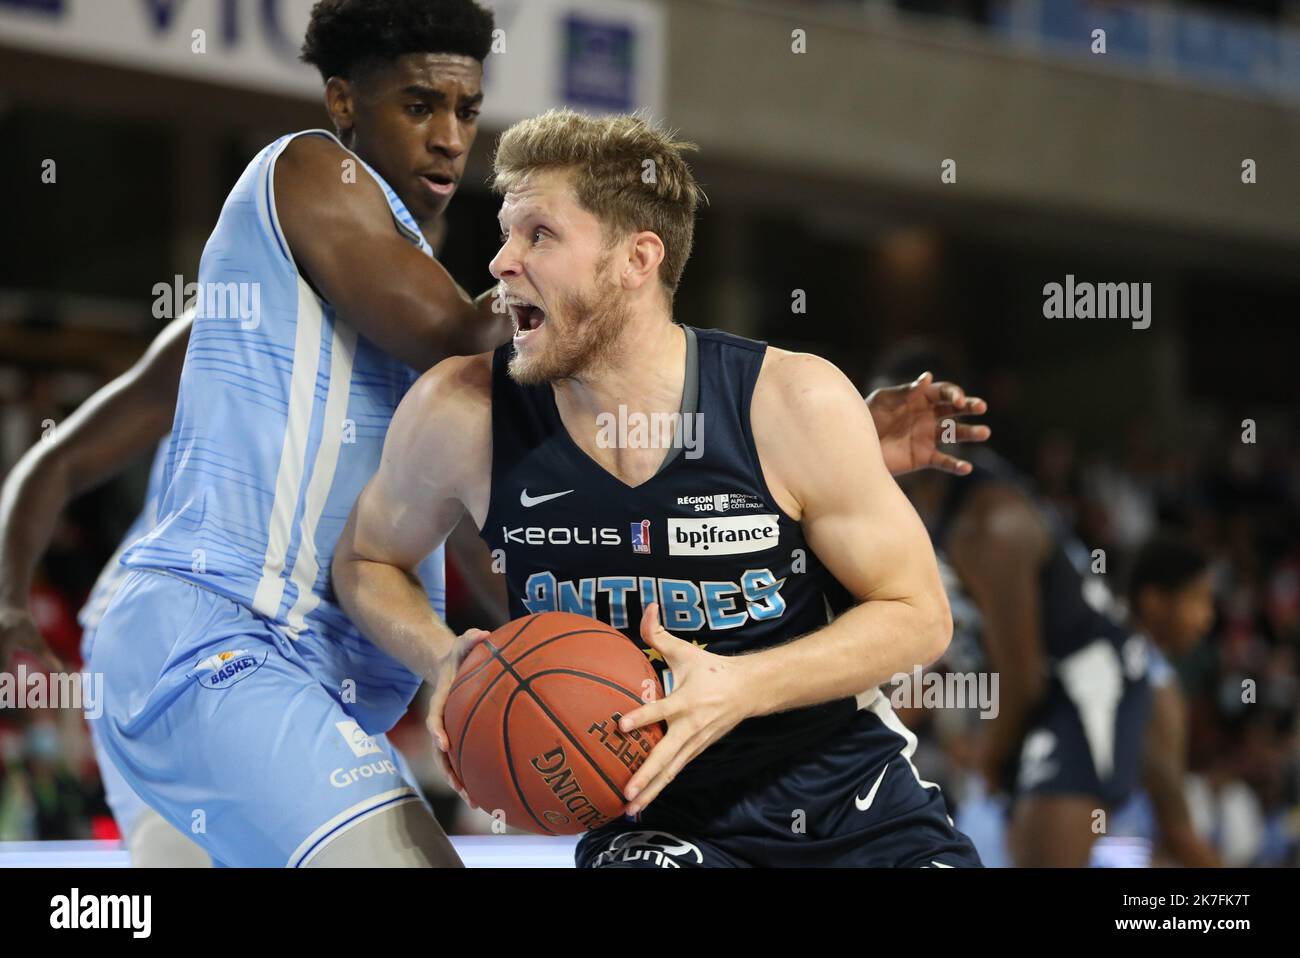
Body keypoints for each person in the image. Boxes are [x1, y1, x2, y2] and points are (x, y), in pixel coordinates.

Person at [333, 109, 985, 867]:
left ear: (636, 259)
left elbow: (918, 617)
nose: (502, 263)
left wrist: (741, 686)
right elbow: (366, 559)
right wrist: (442, 656)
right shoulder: (461, 414)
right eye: (507, 234)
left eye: (539, 235)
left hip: (847, 798)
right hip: (653, 821)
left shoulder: (791, 400)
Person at [86, 0, 507, 868]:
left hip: (311, 679)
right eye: (420, 104)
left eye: (466, 111)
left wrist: (570, 633)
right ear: (345, 101)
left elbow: (464, 529)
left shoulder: (413, 297)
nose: (451, 138)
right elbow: (459, 335)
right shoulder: (310, 171)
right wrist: (583, 283)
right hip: (217, 640)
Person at [876, 345, 1152, 867]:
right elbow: (948, 642)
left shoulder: (990, 521)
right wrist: (883, 719)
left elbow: (1021, 677)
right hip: (1027, 686)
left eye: (908, 411)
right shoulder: (917, 502)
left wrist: (990, 759)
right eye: (882, 410)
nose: (888, 427)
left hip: (1084, 682)